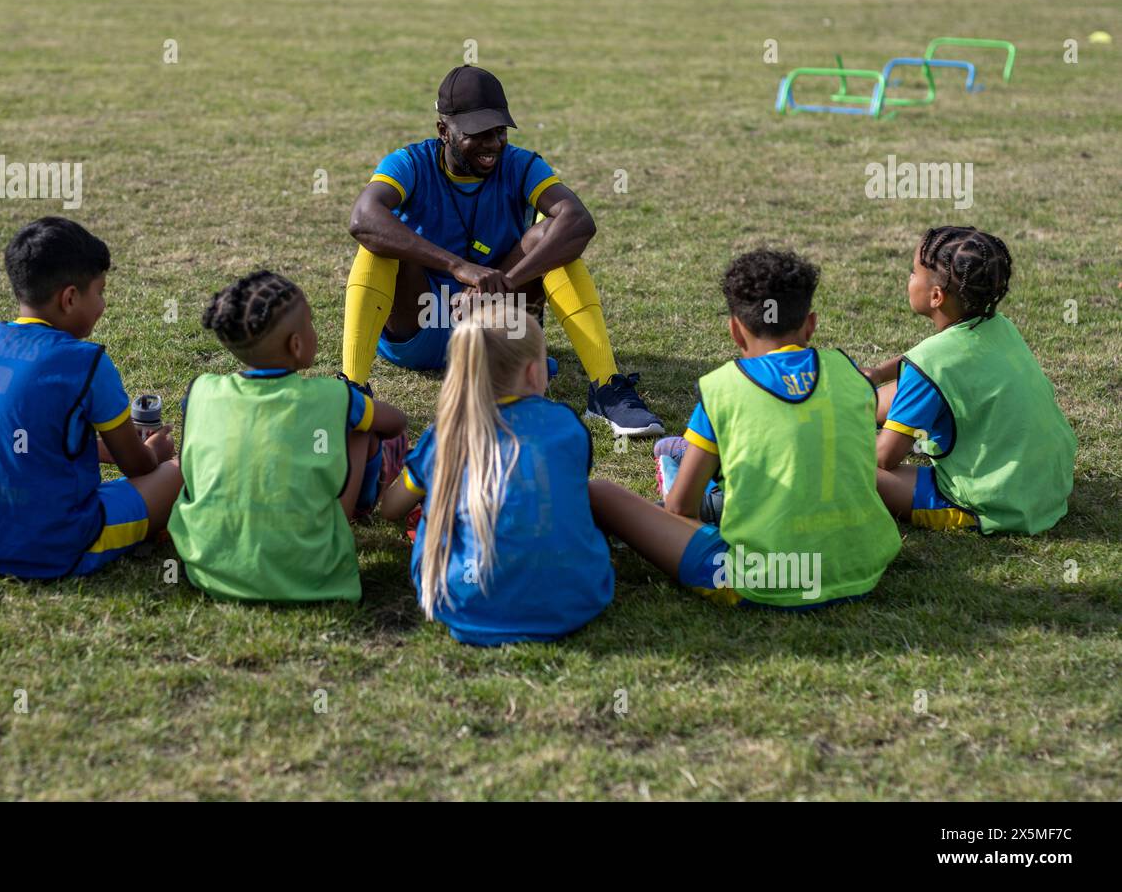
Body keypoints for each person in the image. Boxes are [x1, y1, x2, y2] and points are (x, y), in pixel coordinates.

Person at [342, 64, 662, 438]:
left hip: (500, 328)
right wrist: (460, 268)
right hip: (420, 327)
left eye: (499, 131)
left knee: (556, 240)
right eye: (478, 133)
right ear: (443, 131)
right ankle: (353, 389)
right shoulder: (409, 162)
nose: (493, 144)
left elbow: (578, 221)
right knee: (379, 246)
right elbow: (363, 218)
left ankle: (607, 388)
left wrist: (502, 284)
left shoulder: (521, 164)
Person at [591, 250, 901, 609]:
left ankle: (675, 466)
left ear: (735, 329)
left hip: (761, 579)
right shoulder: (848, 373)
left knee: (600, 494)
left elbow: (680, 509)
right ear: (811, 324)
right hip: (861, 566)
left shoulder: (723, 387)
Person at [0, 217, 182, 578]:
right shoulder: (86, 361)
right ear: (69, 298)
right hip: (49, 543)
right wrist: (156, 451)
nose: (103, 304)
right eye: (100, 291)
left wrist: (98, 449)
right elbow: (137, 467)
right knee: (182, 473)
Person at [379, 296, 614, 644]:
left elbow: (391, 509)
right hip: (576, 601)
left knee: (438, 498)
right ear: (535, 372)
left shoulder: (445, 434)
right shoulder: (566, 423)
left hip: (463, 603)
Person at [169, 271, 407, 602]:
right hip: (313, 575)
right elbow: (396, 422)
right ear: (296, 344)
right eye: (310, 323)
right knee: (359, 429)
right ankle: (363, 508)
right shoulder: (334, 396)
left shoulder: (201, 391)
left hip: (209, 569)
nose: (315, 331)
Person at [866, 227, 1076, 533]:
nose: (908, 278)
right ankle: (843, 410)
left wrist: (843, 441)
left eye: (913, 272)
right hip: (1050, 486)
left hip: (993, 502)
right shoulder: (998, 326)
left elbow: (885, 457)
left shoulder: (928, 365)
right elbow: (926, 362)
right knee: (907, 389)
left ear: (936, 296)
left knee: (851, 466)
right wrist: (879, 373)